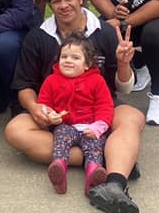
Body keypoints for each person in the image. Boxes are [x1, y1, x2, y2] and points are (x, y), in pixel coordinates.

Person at [6, 0, 142, 213]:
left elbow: (124, 88)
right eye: (56, 1)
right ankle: (112, 157)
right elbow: (23, 86)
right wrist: (36, 109)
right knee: (14, 131)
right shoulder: (38, 37)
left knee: (133, 118)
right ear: (49, 5)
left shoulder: (104, 32)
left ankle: (114, 184)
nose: (63, 5)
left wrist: (123, 64)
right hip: (57, 116)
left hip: (99, 112)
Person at [38, 33, 113, 195]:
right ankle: (59, 168)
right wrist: (50, 115)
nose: (68, 60)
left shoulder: (97, 81)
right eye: (64, 56)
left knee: (95, 147)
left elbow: (105, 106)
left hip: (91, 127)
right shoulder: (52, 80)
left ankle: (93, 173)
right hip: (66, 125)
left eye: (75, 57)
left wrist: (99, 127)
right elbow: (44, 103)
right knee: (60, 142)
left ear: (88, 64)